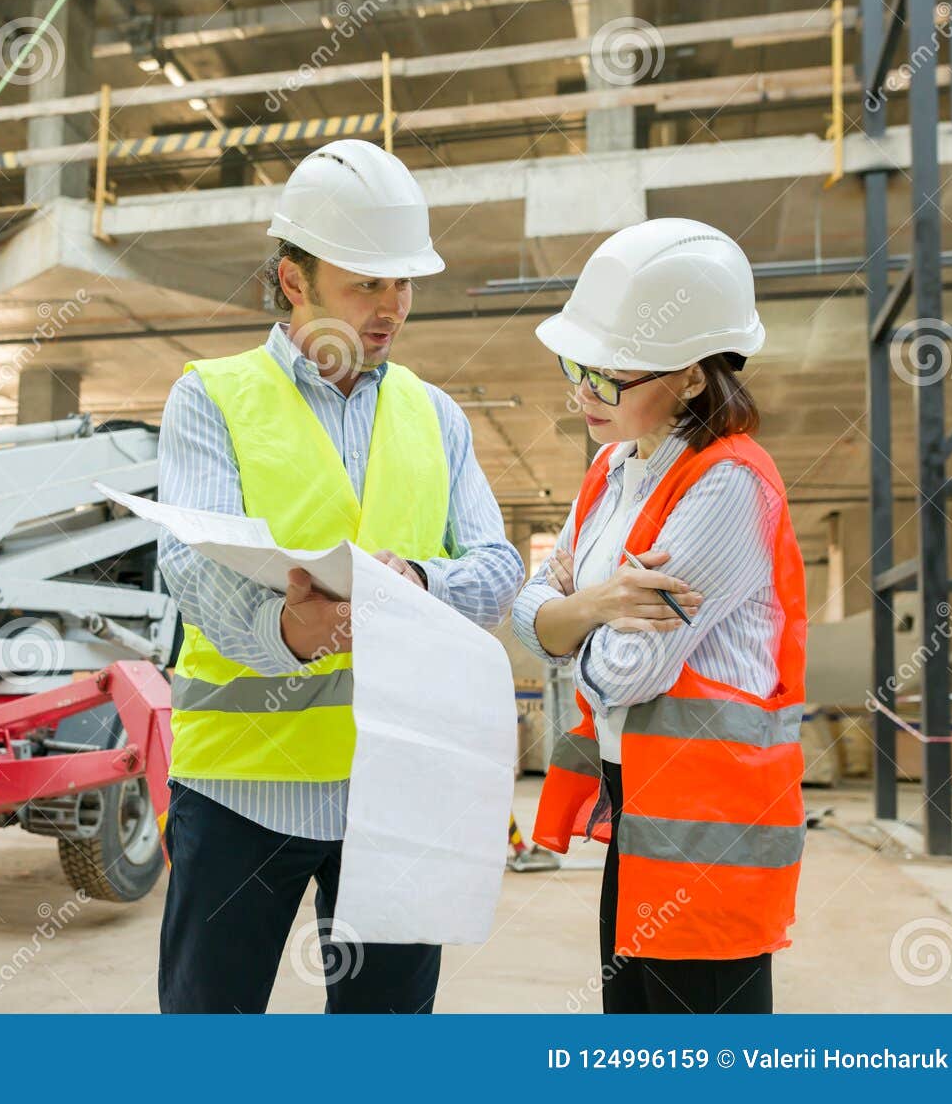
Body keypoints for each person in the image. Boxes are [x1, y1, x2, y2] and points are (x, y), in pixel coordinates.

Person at [156, 138, 524, 1013]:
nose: (392, 307)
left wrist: (422, 586)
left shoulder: (437, 415)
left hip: (398, 790)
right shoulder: (211, 395)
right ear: (294, 278)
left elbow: (498, 562)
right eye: (367, 283)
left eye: (404, 283)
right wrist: (289, 632)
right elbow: (191, 564)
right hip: (242, 787)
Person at [512, 218, 807, 1014]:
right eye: (579, 368)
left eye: (610, 377)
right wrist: (598, 607)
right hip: (637, 803)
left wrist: (570, 616)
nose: (583, 395)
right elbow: (528, 604)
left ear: (691, 377)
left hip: (710, 824)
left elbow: (627, 671)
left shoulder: (730, 486)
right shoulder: (613, 471)